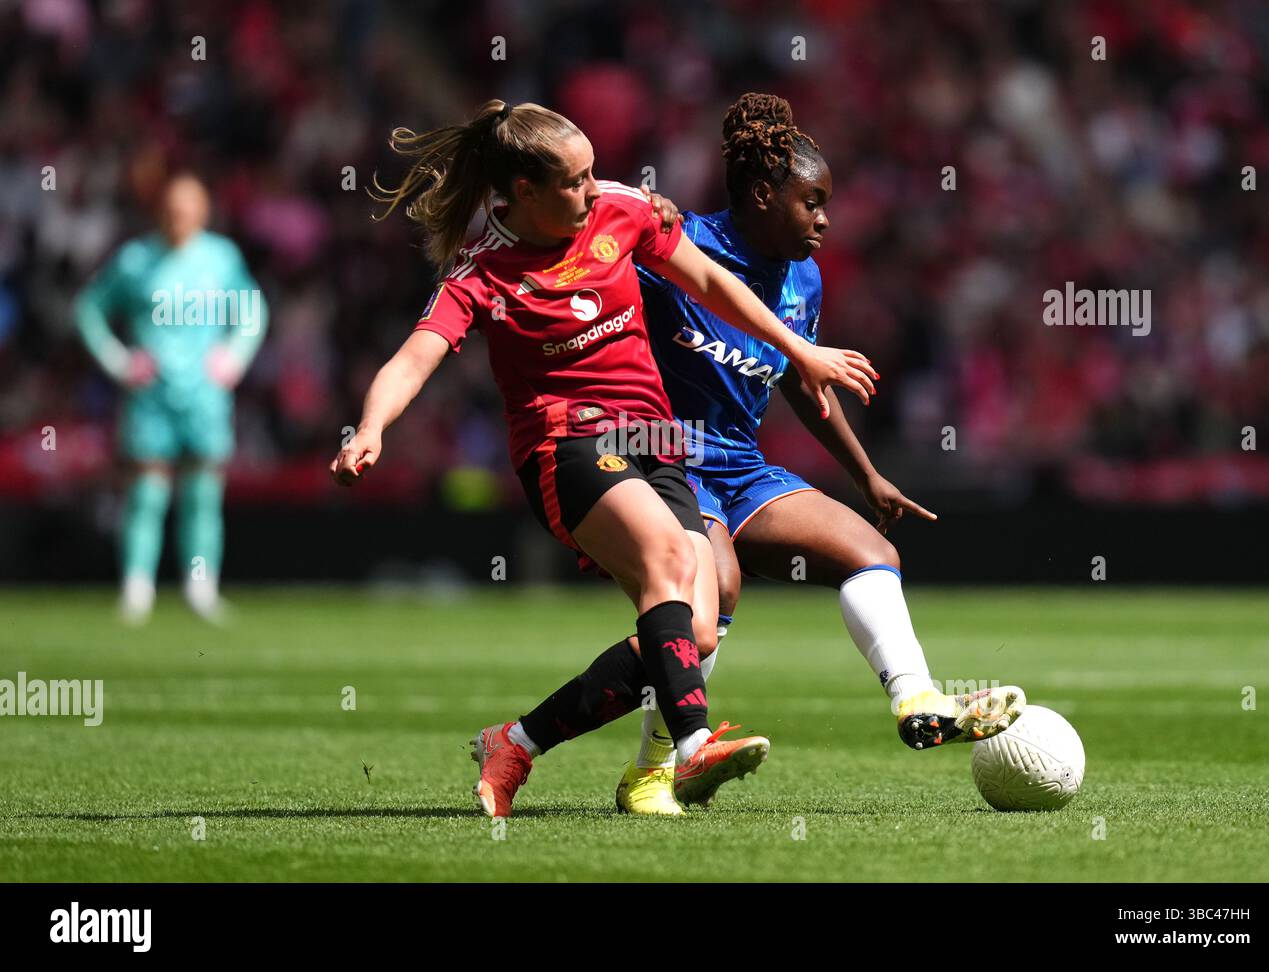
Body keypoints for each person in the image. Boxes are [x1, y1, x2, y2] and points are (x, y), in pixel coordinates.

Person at [329, 99, 879, 818]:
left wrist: (799, 348)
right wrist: (369, 427)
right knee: (664, 561)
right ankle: (692, 749)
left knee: (695, 627)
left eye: (595, 174)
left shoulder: (621, 210)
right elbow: (413, 358)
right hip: (567, 444)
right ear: (524, 191)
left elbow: (710, 282)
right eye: (577, 182)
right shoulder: (483, 270)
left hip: (653, 439)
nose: (595, 191)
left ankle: (516, 741)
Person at [615, 93, 1026, 814]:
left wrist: (867, 475)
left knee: (868, 550)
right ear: (763, 195)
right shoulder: (679, 252)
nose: (826, 219)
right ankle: (653, 770)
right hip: (666, 459)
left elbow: (802, 383)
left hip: (739, 463)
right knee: (720, 588)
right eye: (813, 202)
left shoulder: (804, 280)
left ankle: (917, 702)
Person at [75, 173, 267, 624]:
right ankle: (136, 590)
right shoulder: (136, 259)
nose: (178, 217)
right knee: (147, 493)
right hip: (152, 395)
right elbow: (89, 309)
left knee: (202, 492)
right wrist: (118, 362)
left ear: (202, 212)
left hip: (204, 396)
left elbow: (253, 309)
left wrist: (234, 358)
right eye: (172, 208)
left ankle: (201, 589)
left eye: (187, 209)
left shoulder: (221, 258)